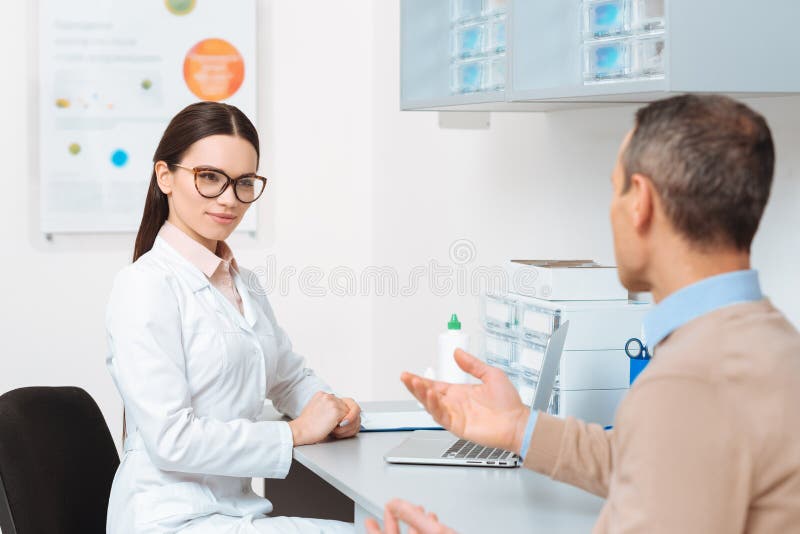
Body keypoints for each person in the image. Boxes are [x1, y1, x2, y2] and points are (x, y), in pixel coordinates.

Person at [367, 94, 800, 533]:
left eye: (615, 189)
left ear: (641, 203)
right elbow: (655, 464)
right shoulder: (773, 345)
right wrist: (518, 426)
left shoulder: (690, 381)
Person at [105, 102, 358, 534]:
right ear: (165, 176)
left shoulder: (244, 284)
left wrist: (333, 408)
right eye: (209, 178)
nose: (229, 198)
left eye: (243, 182)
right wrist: (296, 432)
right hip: (169, 519)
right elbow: (172, 440)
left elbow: (288, 377)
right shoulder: (145, 286)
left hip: (233, 513)